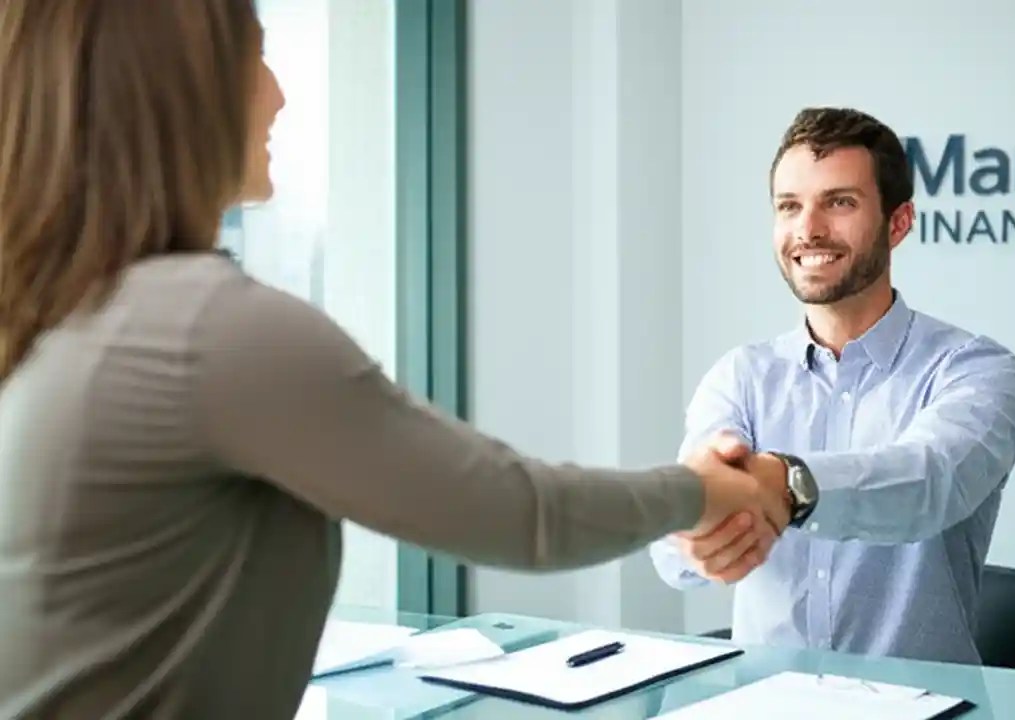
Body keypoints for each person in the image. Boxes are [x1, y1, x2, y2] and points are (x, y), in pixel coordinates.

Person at [0, 2, 787, 718]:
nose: (278, 95)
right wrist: (701, 491)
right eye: (257, 55)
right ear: (175, 92)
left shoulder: (68, 306)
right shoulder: (206, 329)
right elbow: (523, 515)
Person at [649, 107, 1015, 665]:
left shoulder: (977, 370)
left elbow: (928, 481)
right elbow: (674, 559)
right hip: (766, 705)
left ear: (897, 223)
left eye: (840, 202)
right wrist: (701, 518)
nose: (809, 229)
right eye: (789, 207)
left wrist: (785, 483)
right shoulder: (741, 376)